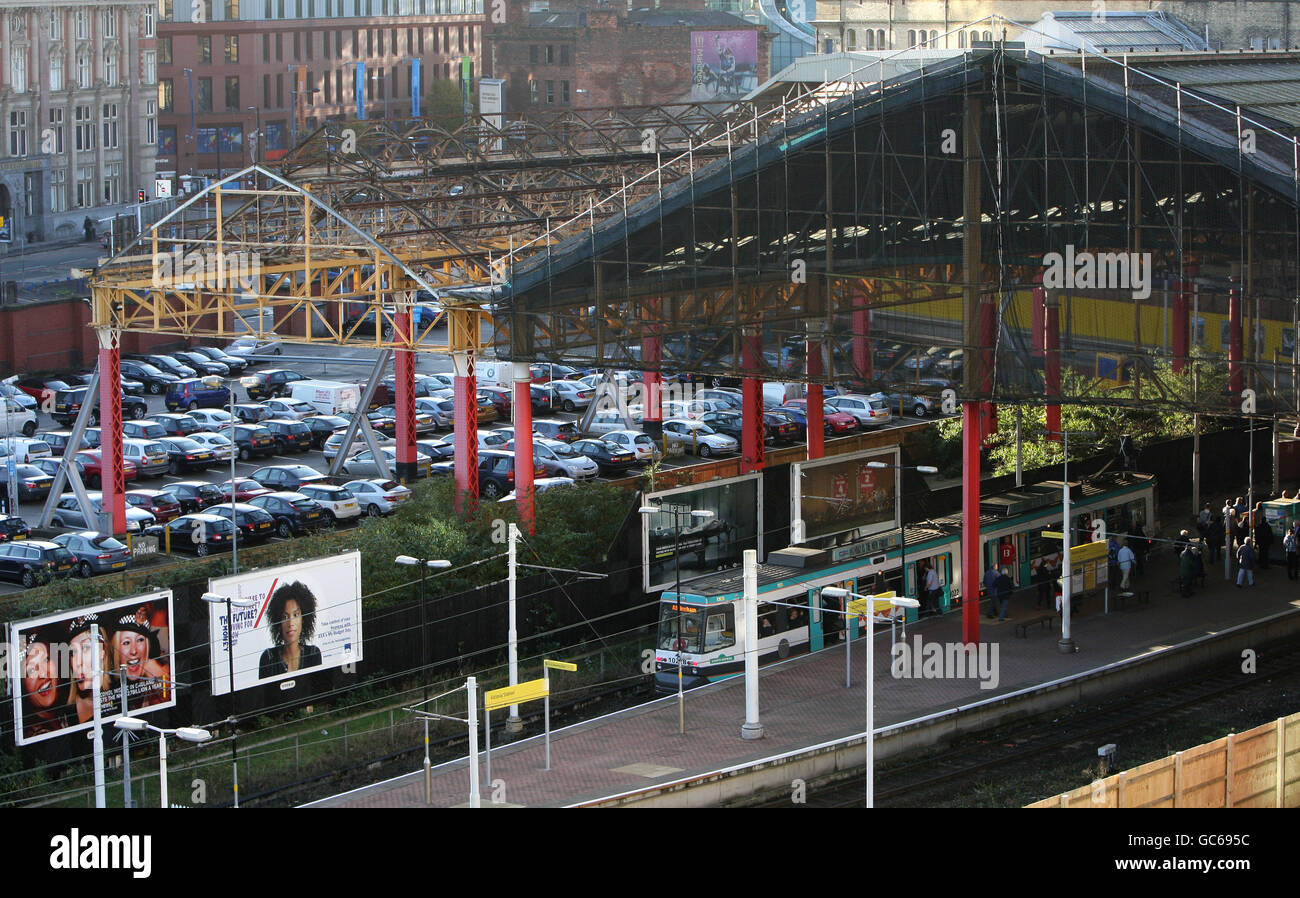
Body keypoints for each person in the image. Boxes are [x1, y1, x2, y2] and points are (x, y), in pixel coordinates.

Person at [258, 581, 324, 678]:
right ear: (278, 622)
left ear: (303, 619)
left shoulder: (313, 654)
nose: (290, 623)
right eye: (285, 617)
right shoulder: (268, 658)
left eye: (296, 615)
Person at [19, 627, 74, 739]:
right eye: (31, 670)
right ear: (21, 685)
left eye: (46, 660)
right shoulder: (36, 738)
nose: (43, 674)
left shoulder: (67, 715)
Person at [110, 612, 171, 709]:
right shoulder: (110, 692)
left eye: (140, 640)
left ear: (147, 646)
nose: (134, 650)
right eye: (126, 642)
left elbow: (170, 708)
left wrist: (160, 677)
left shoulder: (165, 674)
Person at [66, 613, 114, 724]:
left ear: (103, 651)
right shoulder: (65, 714)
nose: (78, 662)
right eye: (73, 652)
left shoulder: (122, 694)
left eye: (86, 648)